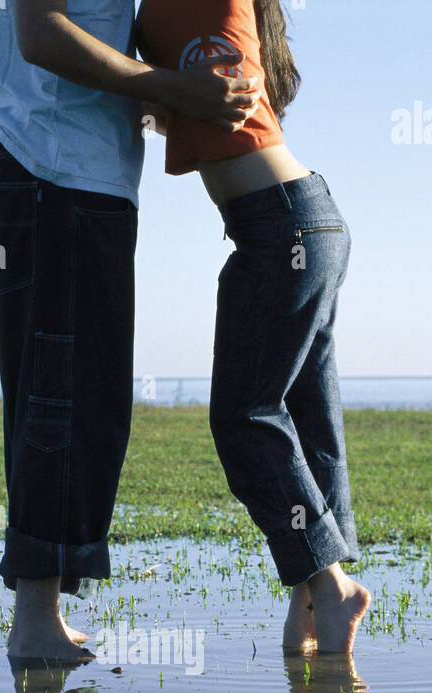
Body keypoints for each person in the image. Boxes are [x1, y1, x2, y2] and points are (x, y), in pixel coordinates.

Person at [0, 0, 264, 662]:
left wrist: (158, 98)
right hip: (53, 166)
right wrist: (168, 86)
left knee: (84, 398)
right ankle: (33, 620)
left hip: (78, 170)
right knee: (58, 397)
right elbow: (40, 35)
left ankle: (40, 609)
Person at [136, 0, 371, 654]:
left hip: (281, 226)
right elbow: (159, 106)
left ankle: (330, 588)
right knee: (302, 412)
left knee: (244, 415)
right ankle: (316, 602)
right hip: (303, 216)